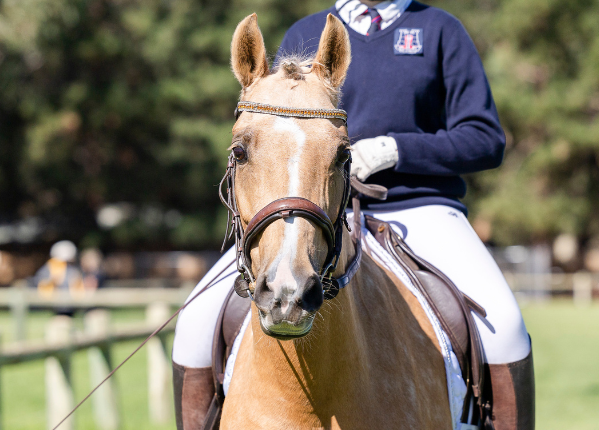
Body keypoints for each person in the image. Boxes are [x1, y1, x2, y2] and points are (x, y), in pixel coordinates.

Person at [172, 1, 534, 428]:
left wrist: (396, 149)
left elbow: (485, 138)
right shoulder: (306, 31)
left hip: (420, 207)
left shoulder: (438, 30)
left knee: (504, 327)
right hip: (315, 212)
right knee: (194, 325)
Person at [30, 240, 85, 314]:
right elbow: (39, 284)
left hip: (70, 304)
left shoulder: (73, 270)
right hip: (54, 305)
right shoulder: (48, 268)